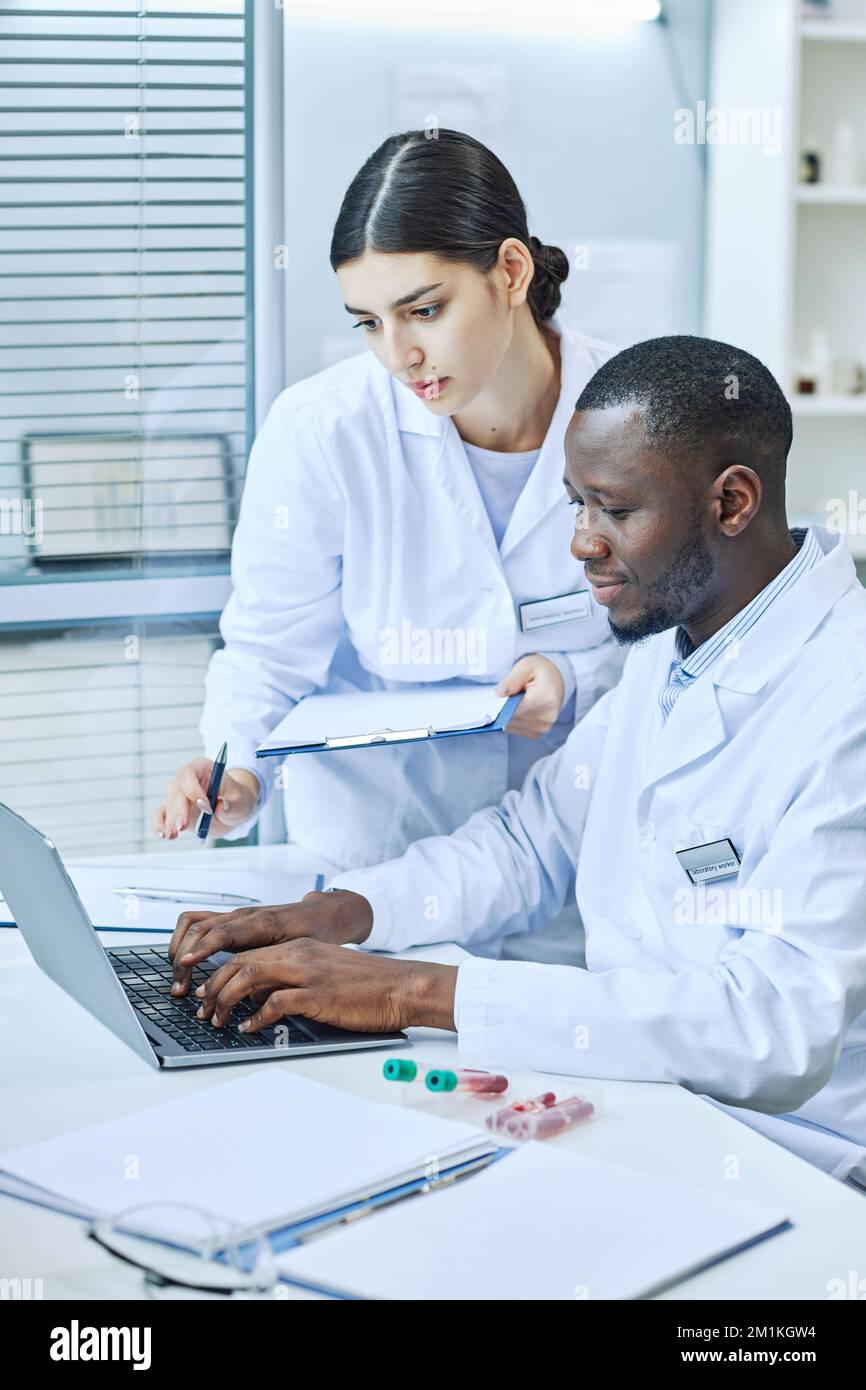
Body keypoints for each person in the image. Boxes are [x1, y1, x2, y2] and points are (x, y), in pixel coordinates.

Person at [167, 335, 866, 1187]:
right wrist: (344, 914)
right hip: (642, 1113)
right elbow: (532, 841)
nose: (581, 544)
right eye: (575, 504)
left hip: (796, 1163)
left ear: (731, 502)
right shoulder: (678, 640)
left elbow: (774, 1029)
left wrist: (416, 991)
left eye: (613, 509)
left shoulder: (845, 700)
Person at [152, 129, 623, 876]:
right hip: (372, 859)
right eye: (370, 323)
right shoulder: (322, 430)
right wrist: (236, 774)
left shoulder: (637, 415)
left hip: (568, 854)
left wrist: (577, 681)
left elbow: (693, 637)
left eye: (425, 311)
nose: (397, 355)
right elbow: (270, 651)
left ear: (509, 271)